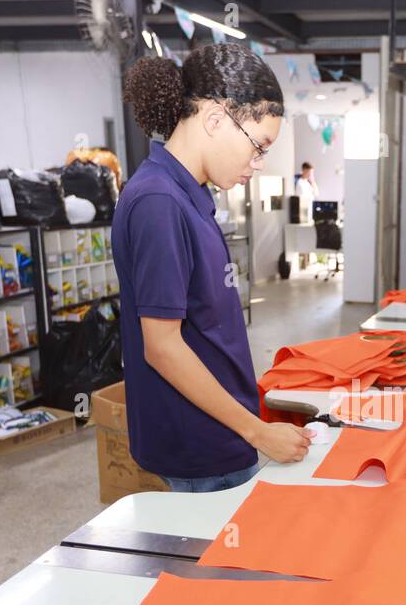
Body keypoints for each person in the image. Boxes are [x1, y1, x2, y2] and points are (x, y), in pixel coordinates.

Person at [114, 45, 311, 493]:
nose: (258, 164)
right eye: (258, 147)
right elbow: (162, 347)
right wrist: (259, 432)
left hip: (222, 429)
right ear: (216, 119)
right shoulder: (159, 202)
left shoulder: (189, 194)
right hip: (199, 444)